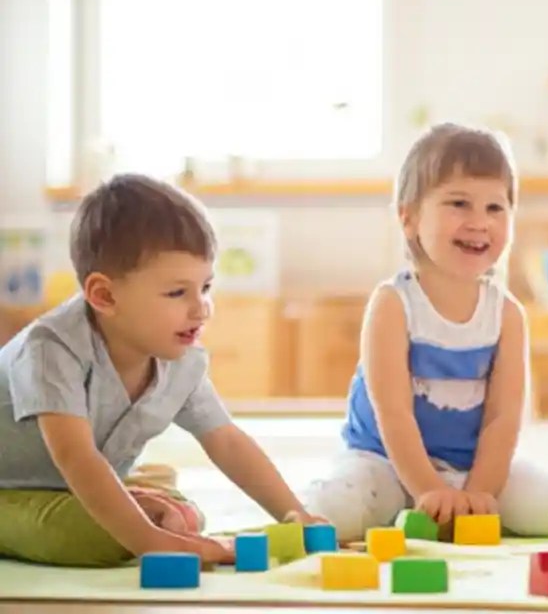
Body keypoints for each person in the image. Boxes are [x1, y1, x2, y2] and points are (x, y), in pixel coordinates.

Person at [0, 174, 321, 567]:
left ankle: (139, 498)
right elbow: (75, 456)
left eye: (206, 287)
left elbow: (227, 441)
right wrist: (151, 542)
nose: (201, 308)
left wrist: (294, 513)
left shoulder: (179, 356)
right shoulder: (51, 349)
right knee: (99, 539)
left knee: (183, 519)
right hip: (12, 486)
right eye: (177, 292)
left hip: (70, 487)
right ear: (104, 295)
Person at [306, 123, 548, 543]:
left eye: (495, 208)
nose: (479, 222)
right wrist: (427, 490)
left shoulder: (507, 315)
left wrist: (481, 492)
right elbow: (394, 414)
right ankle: (391, 506)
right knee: (332, 514)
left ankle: (446, 504)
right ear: (408, 219)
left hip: (469, 469)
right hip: (384, 464)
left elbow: (503, 418)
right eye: (459, 203)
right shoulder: (392, 304)